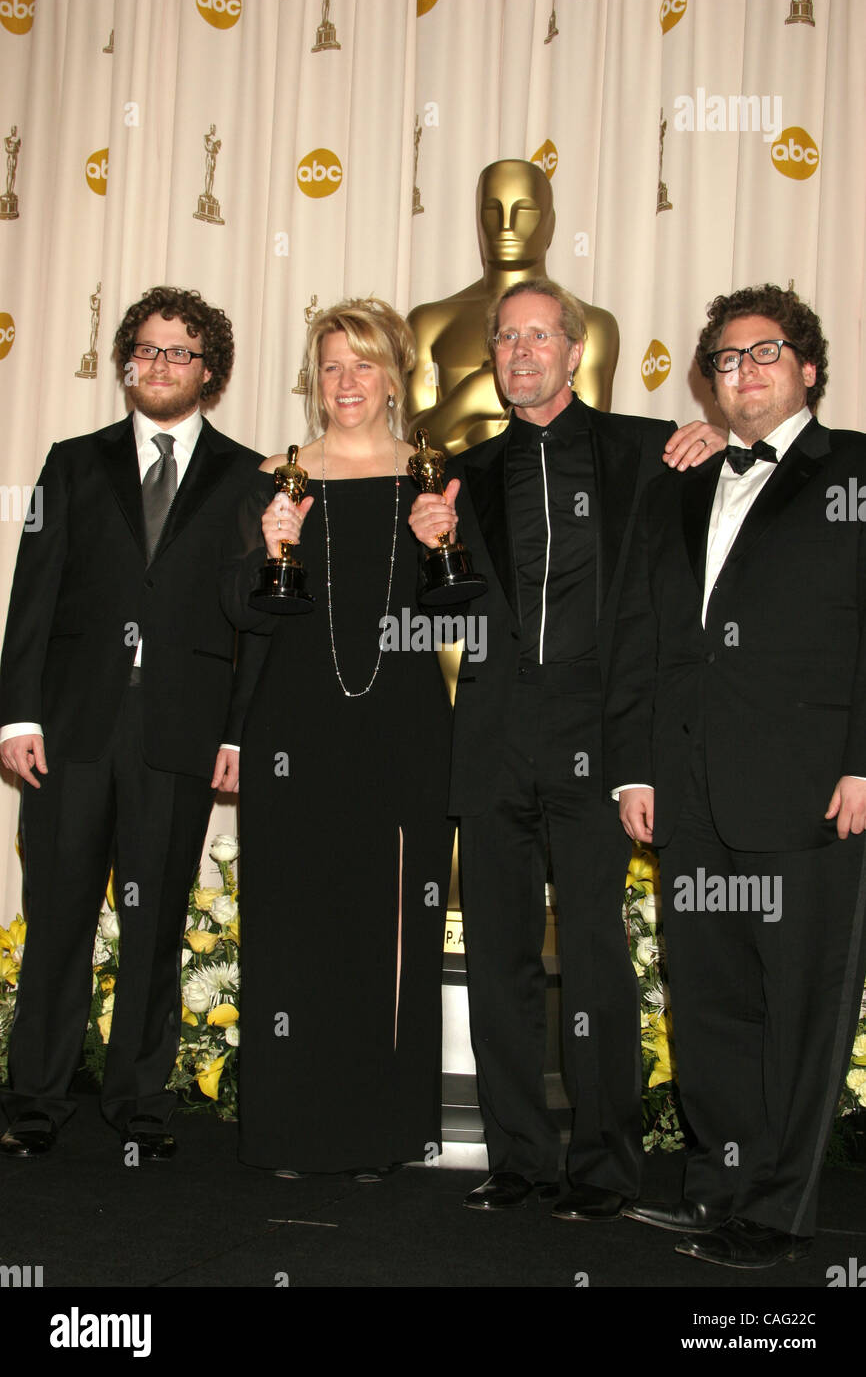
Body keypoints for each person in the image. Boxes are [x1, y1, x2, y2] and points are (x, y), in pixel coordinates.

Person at [408, 276, 725, 1216]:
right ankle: (518, 1161)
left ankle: (603, 1171)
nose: (520, 353)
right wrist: (435, 547)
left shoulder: (648, 451)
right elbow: (445, 611)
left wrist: (722, 443)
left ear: (574, 350)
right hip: (497, 732)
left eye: (538, 337)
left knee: (593, 956)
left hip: (604, 733)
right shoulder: (462, 469)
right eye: (506, 339)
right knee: (502, 949)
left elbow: (733, 516)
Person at [606, 284, 866, 1268]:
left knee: (797, 1009)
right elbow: (650, 637)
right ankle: (714, 1190)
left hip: (809, 796)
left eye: (764, 353)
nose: (744, 371)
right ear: (708, 380)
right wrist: (633, 766)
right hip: (689, 789)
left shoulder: (853, 469)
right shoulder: (680, 479)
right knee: (707, 1001)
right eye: (725, 358)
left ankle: (775, 1210)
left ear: (805, 366)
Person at [0, 287, 261, 1161]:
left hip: (180, 732)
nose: (157, 365)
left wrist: (235, 732)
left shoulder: (253, 476)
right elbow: (32, 592)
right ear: (125, 361)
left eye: (177, 353)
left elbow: (253, 622)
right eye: (144, 350)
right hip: (72, 727)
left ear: (210, 372)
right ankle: (33, 1101)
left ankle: (140, 1108)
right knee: (60, 919)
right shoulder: (71, 463)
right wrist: (17, 715)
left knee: (155, 926)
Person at [222, 298, 453, 1177]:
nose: (346, 382)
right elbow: (239, 611)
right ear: (312, 380)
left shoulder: (432, 475)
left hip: (403, 723)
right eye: (331, 366)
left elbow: (457, 605)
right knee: (294, 923)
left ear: (394, 375)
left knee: (387, 926)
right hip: (293, 724)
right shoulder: (275, 477)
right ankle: (288, 1131)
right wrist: (266, 548)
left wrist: (446, 540)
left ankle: (382, 1134)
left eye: (364, 364)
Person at [406, 159, 620, 453]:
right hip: (457, 491)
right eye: (493, 212)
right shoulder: (430, 322)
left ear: (550, 223)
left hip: (556, 492)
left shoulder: (593, 325)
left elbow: (590, 438)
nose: (506, 227)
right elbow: (416, 442)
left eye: (524, 212)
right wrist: (473, 394)